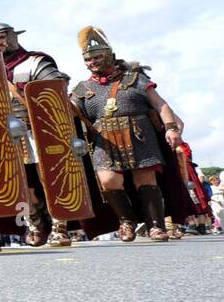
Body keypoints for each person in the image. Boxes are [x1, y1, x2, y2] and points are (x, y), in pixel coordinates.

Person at [71, 26, 187, 242]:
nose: (92, 63)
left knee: (145, 179)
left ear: (109, 56)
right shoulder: (82, 88)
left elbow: (160, 104)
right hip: (104, 140)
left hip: (139, 135)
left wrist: (171, 128)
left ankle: (156, 226)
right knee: (108, 181)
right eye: (88, 60)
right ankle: (127, 221)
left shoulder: (135, 79)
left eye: (97, 57)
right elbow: (70, 113)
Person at [0, 3, 71, 247]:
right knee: (23, 184)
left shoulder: (35, 62)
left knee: (49, 178)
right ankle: (36, 224)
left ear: (14, 37)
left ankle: (60, 226)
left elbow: (54, 88)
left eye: (4, 36)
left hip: (38, 131)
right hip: (7, 137)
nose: (0, 42)